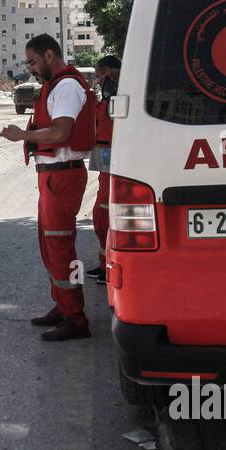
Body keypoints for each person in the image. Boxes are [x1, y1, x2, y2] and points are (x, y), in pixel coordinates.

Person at [0, 34, 97, 341]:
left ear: (49, 55)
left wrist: (22, 136)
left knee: (60, 247)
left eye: (32, 61)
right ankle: (63, 305)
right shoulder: (57, 86)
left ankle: (75, 317)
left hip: (63, 176)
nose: (30, 68)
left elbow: (60, 132)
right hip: (53, 176)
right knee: (50, 246)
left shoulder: (66, 86)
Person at [88, 55, 121, 284]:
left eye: (100, 76)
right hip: (105, 159)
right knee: (101, 215)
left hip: (114, 160)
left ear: (109, 72)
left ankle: (110, 267)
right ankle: (104, 265)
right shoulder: (110, 97)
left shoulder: (122, 94)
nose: (98, 81)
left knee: (104, 215)